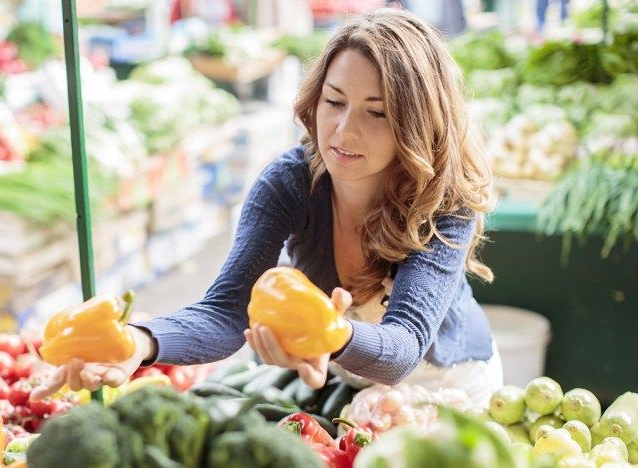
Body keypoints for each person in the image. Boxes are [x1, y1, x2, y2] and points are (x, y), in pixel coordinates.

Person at [31, 7, 503, 407]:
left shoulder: (445, 201)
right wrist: (138, 341)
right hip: (351, 381)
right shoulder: (291, 183)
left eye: (376, 112)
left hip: (449, 384)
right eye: (334, 101)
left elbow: (403, 350)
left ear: (417, 123)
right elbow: (225, 314)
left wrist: (325, 333)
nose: (343, 131)